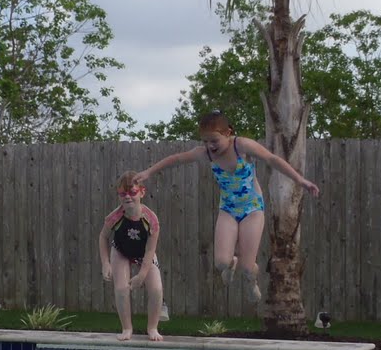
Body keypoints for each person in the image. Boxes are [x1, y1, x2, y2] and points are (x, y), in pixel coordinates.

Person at [137, 109, 320, 302]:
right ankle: (232, 262)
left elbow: (272, 159)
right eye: (205, 141)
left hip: (252, 209)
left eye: (214, 140)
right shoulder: (206, 154)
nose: (210, 145)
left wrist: (300, 179)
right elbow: (176, 160)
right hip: (228, 210)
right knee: (221, 263)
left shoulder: (241, 146)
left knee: (248, 267)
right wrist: (149, 172)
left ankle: (252, 282)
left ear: (228, 132)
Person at [98, 171, 164, 341]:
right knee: (121, 288)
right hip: (121, 251)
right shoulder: (114, 217)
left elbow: (150, 251)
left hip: (144, 254)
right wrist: (105, 263)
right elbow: (103, 237)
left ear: (142, 192)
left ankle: (152, 328)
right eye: (122, 194)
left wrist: (142, 275)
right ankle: (127, 328)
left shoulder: (151, 220)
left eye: (132, 192)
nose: (127, 197)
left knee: (156, 289)